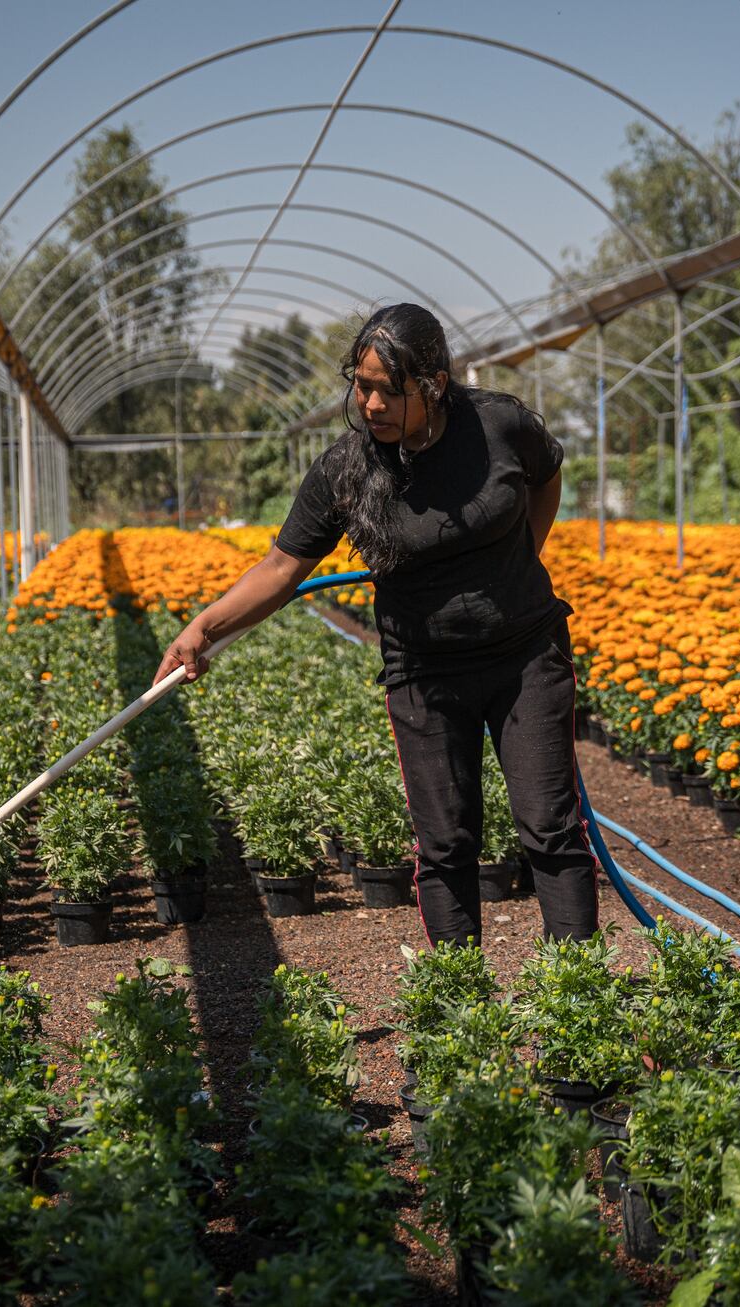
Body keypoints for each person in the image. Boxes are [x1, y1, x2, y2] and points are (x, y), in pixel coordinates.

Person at [154, 303, 599, 946]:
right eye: (359, 386)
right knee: (446, 842)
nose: (369, 404)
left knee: (549, 827)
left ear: (435, 385)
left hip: (524, 655)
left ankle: (578, 993)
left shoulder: (499, 426)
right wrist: (205, 627)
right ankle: (460, 1007)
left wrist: (521, 559)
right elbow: (282, 568)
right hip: (423, 671)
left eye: (387, 390)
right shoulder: (347, 468)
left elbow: (545, 476)